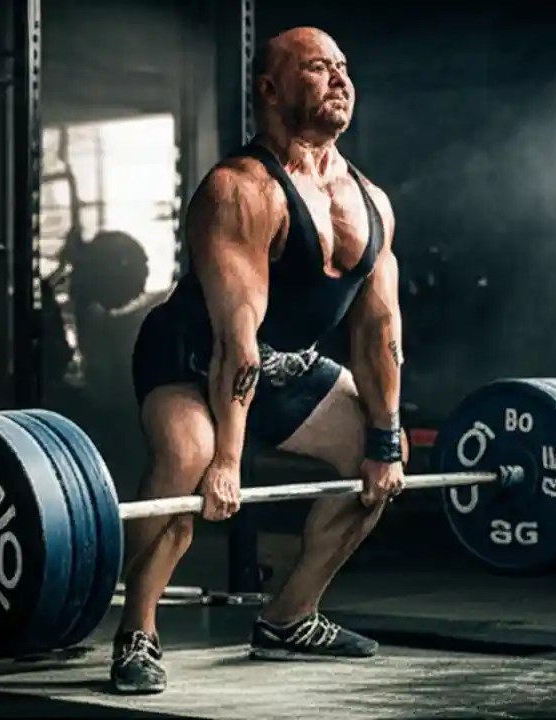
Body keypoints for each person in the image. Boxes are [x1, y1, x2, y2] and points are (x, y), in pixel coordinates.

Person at [115, 27, 406, 693]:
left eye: (343, 66)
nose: (340, 80)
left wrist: (386, 441)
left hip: (279, 364)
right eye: (318, 68)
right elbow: (233, 340)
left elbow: (379, 333)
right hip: (191, 357)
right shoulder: (240, 190)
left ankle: (289, 616)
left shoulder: (370, 203)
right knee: (188, 462)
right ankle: (137, 630)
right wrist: (226, 461)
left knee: (371, 459)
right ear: (270, 89)